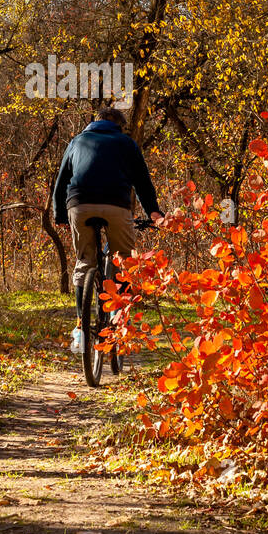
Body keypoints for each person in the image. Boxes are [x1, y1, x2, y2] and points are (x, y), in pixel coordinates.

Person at [53, 105, 163, 352]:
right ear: (119, 125)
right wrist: (153, 211)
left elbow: (61, 182)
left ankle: (81, 329)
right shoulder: (126, 143)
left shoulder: (77, 141)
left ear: (96, 122)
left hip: (78, 205)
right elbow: (142, 181)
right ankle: (118, 324)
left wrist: (60, 215)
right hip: (116, 205)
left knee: (84, 262)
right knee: (125, 262)